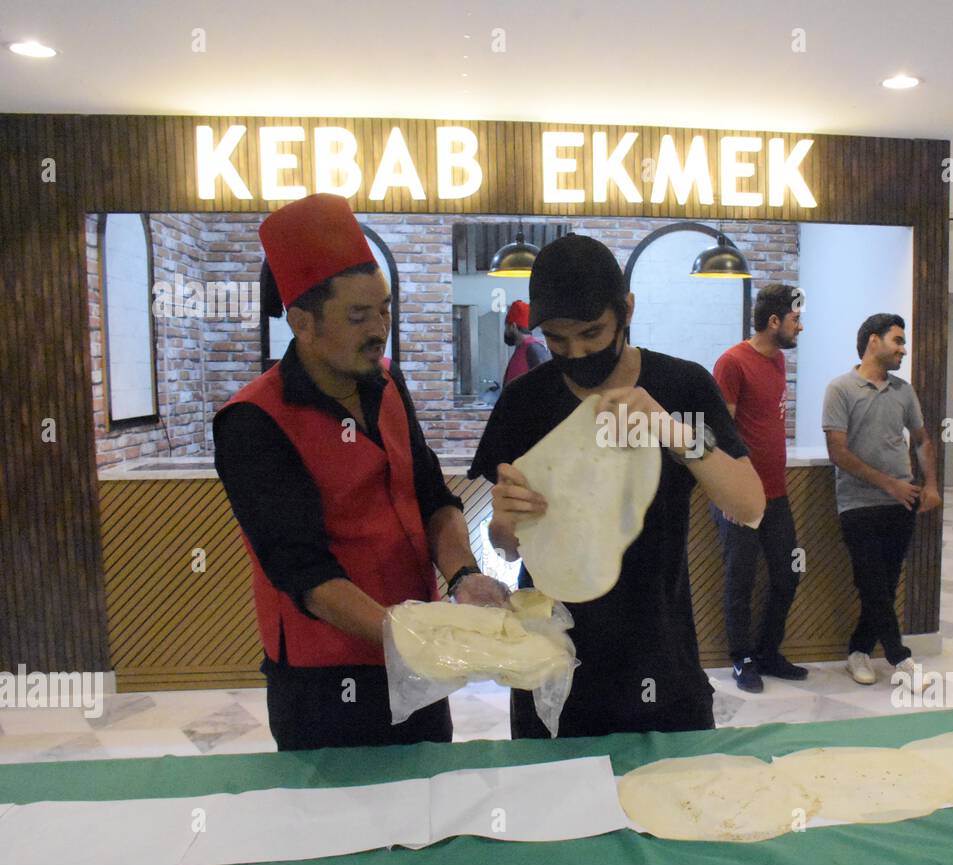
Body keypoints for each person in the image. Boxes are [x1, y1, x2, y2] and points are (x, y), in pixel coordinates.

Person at [214, 193, 510, 751]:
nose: (379, 328)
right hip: (325, 679)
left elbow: (431, 496)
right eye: (358, 316)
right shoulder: (253, 422)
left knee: (428, 804)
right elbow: (303, 573)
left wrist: (463, 576)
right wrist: (407, 637)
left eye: (385, 309)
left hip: (414, 658)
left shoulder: (387, 382)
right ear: (302, 322)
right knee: (341, 826)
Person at [469, 234, 765, 739]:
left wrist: (667, 427)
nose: (577, 351)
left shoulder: (681, 386)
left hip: (661, 652)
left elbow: (749, 503)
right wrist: (504, 522)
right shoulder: (525, 402)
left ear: (626, 310)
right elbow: (507, 546)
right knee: (555, 812)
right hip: (553, 661)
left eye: (592, 332)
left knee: (674, 807)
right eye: (557, 340)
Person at [822, 313, 940, 687]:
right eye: (898, 341)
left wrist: (932, 485)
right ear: (874, 341)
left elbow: (921, 440)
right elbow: (838, 453)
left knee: (884, 587)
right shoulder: (840, 389)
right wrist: (889, 484)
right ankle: (900, 659)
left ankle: (858, 651)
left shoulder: (903, 391)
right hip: (858, 505)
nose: (904, 350)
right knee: (871, 582)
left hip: (901, 503)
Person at [711, 283, 806, 693]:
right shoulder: (732, 363)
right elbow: (718, 432)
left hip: (776, 493)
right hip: (740, 495)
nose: (800, 327)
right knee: (741, 580)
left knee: (787, 575)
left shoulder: (779, 361)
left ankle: (768, 651)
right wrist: (731, 491)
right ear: (774, 321)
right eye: (795, 319)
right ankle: (742, 657)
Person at [502, 299, 549, 387]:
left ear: (513, 326)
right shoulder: (521, 349)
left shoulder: (534, 348)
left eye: (506, 327)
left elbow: (547, 384)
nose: (505, 331)